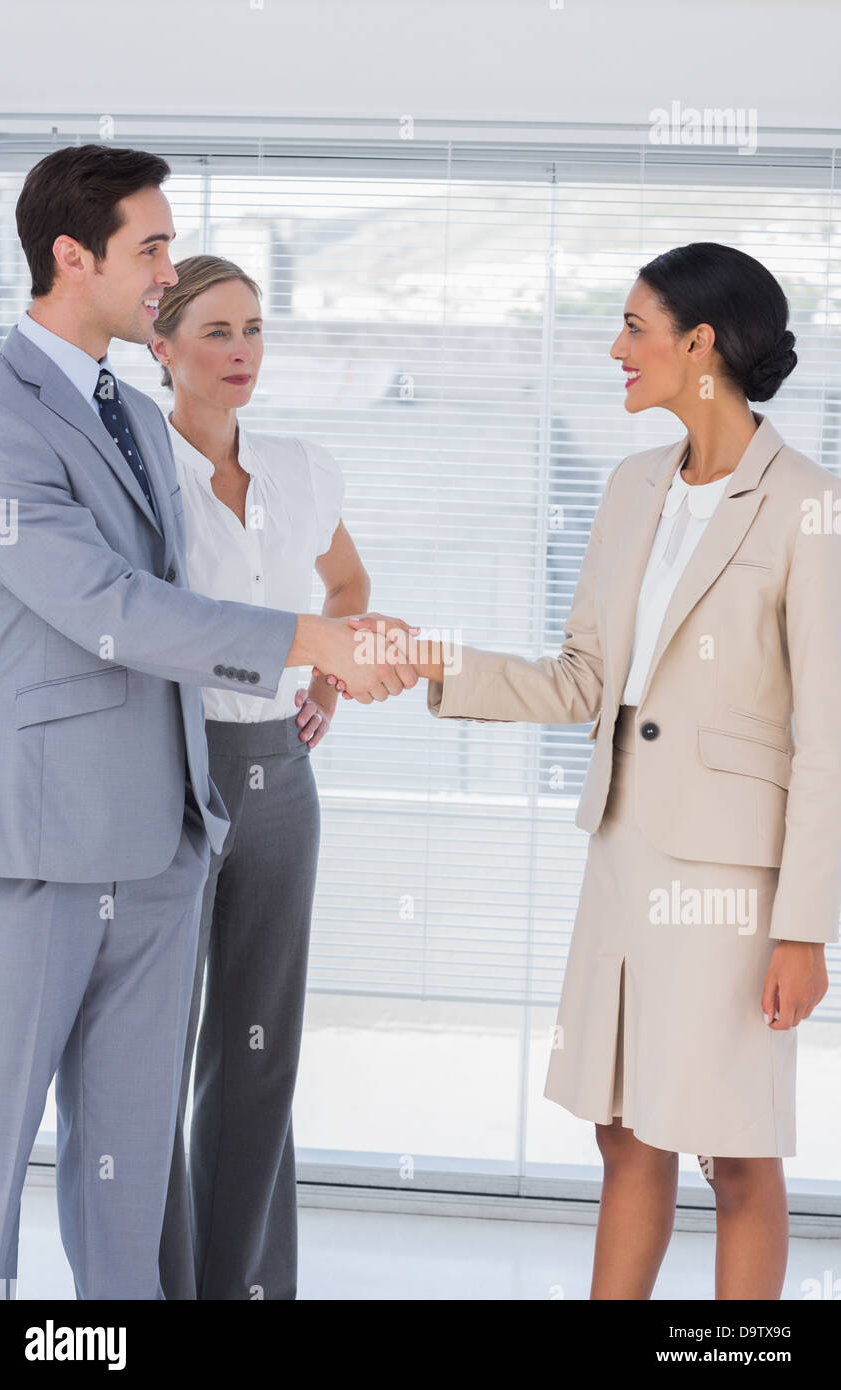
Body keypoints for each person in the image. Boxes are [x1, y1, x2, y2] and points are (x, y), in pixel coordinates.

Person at [329, 243, 839, 1300]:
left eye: (633, 326)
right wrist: (434, 656)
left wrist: (804, 927)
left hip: (731, 888)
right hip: (619, 860)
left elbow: (827, 736)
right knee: (621, 1135)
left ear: (697, 343)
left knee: (733, 1150)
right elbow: (579, 684)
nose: (615, 349)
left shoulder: (804, 506)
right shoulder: (627, 487)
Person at [0, 144, 414, 1300]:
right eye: (153, 249)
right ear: (73, 258)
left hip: (173, 828)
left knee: (123, 1183)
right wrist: (311, 642)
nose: (168, 274)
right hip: (41, 841)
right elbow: (105, 606)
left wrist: (327, 646)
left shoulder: (124, 405)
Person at [149, 254, 369, 1300]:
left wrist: (325, 663)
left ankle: (244, 1286)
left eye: (253, 331)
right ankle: (161, 1287)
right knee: (149, 1051)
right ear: (161, 348)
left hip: (279, 774)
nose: (241, 354)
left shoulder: (299, 465)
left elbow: (347, 581)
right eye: (215, 333)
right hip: (164, 769)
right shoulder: (134, 467)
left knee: (258, 1049)